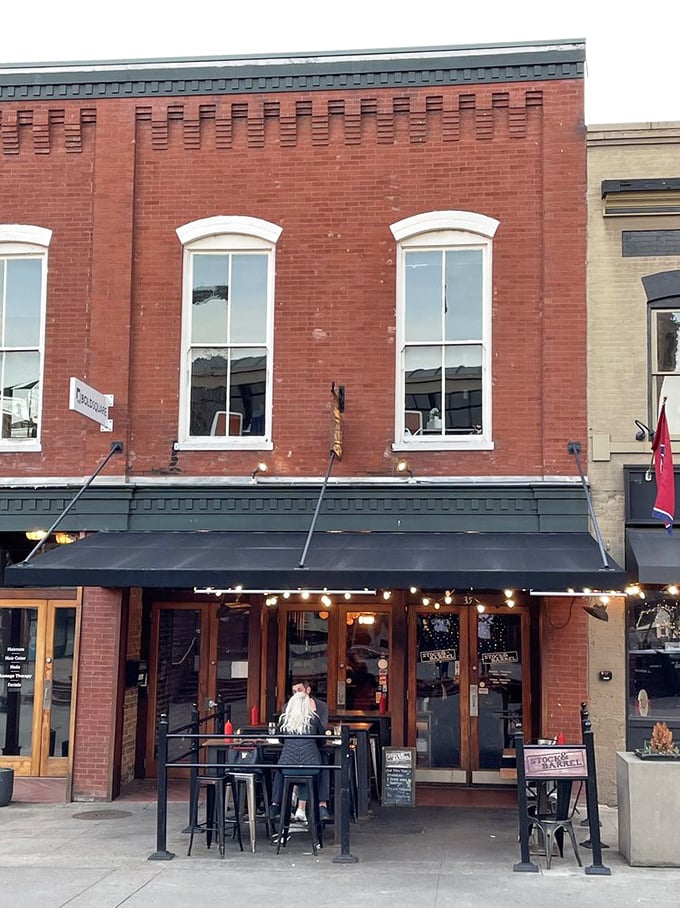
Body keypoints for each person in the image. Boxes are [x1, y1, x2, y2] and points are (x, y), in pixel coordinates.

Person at [272, 690, 325, 824]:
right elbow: (322, 741)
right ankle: (308, 809)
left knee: (282, 768)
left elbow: (281, 740)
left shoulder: (284, 720)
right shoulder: (314, 719)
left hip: (288, 767)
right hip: (310, 767)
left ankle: (280, 805)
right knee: (311, 769)